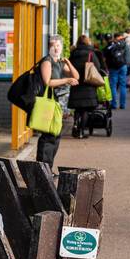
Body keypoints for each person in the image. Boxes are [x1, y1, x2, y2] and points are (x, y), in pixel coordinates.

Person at [36, 34, 79, 168]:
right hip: (47, 103)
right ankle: (42, 168)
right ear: (48, 47)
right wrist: (66, 80)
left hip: (56, 104)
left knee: (56, 135)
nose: (55, 48)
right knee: (48, 136)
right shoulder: (47, 62)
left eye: (58, 45)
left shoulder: (59, 63)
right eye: (52, 45)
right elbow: (48, 82)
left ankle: (48, 168)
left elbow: (76, 76)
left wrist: (68, 63)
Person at [68, 34, 107, 139]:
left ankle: (76, 123)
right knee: (85, 110)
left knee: (77, 108)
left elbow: (69, 66)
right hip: (88, 85)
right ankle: (81, 131)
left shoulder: (73, 53)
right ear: (87, 42)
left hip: (76, 83)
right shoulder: (91, 54)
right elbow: (98, 68)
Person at [104, 30, 130, 110]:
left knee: (113, 86)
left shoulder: (107, 48)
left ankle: (114, 104)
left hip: (113, 67)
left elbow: (105, 59)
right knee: (123, 85)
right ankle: (122, 105)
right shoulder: (121, 44)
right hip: (122, 65)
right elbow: (126, 50)